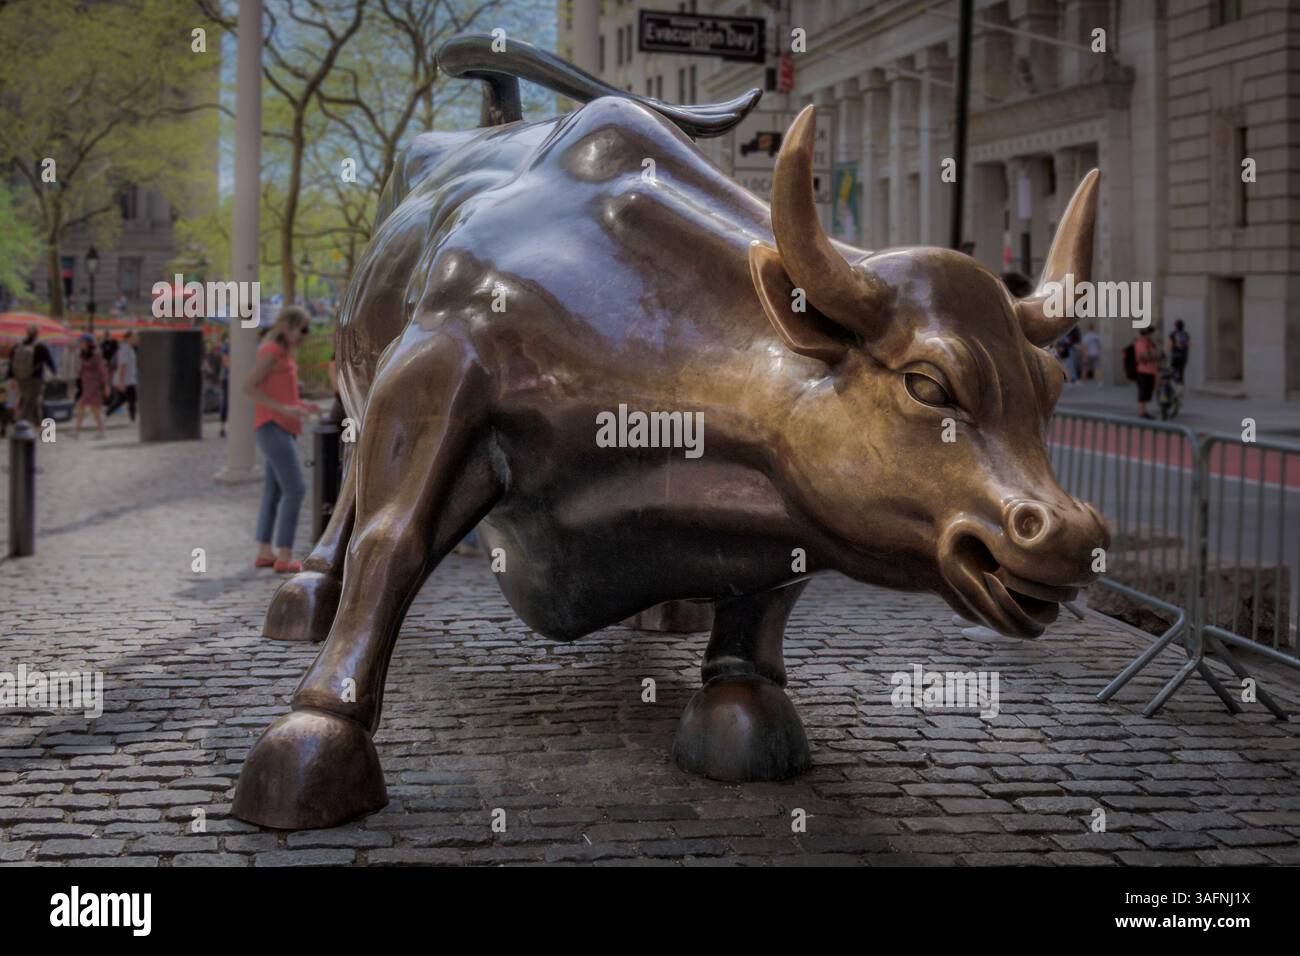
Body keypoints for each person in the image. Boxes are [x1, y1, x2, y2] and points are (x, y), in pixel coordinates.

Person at [244, 306, 320, 573]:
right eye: (303, 329)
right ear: (288, 327)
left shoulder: (282, 353)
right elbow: (248, 387)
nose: (305, 336)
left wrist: (301, 404)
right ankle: (285, 556)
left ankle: (265, 551)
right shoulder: (271, 352)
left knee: (274, 491)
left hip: (282, 426)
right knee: (296, 489)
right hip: (272, 427)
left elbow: (281, 394)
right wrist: (284, 409)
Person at [10, 324, 56, 425]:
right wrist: (54, 373)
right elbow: (49, 361)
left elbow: (11, 361)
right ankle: (22, 423)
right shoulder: (40, 346)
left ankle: (38, 425)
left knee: (31, 400)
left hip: (21, 378)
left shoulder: (17, 345)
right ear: (37, 334)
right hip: (36, 379)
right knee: (31, 401)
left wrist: (12, 377)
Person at [73, 333, 110, 438]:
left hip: (94, 385)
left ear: (88, 343)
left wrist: (106, 384)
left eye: (82, 342)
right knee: (95, 409)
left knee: (82, 405)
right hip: (86, 384)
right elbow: (82, 370)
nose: (80, 344)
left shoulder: (95, 354)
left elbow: (102, 370)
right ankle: (101, 431)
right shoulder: (82, 354)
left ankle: (77, 431)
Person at [106, 330, 138, 421]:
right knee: (131, 400)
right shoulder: (125, 350)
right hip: (126, 381)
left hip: (129, 380)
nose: (136, 340)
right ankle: (132, 419)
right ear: (128, 339)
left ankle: (107, 414)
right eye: (134, 338)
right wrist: (121, 382)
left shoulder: (130, 349)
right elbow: (122, 367)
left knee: (123, 400)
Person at [1133, 327, 1161, 419]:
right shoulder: (1140, 343)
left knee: (1147, 392)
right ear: (1145, 334)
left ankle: (1144, 411)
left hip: (1151, 371)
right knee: (1143, 392)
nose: (1151, 335)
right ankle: (1142, 412)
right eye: (1149, 333)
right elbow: (1145, 356)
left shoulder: (1150, 344)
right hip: (1143, 371)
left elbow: (1153, 354)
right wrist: (1155, 357)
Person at [1168, 319, 1190, 385]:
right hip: (1183, 356)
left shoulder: (1173, 334)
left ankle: (1175, 386)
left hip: (1175, 356)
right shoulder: (1186, 334)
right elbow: (1188, 345)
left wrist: (1169, 352)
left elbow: (1170, 346)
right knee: (1181, 372)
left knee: (1173, 371)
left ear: (1176, 326)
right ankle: (1180, 388)